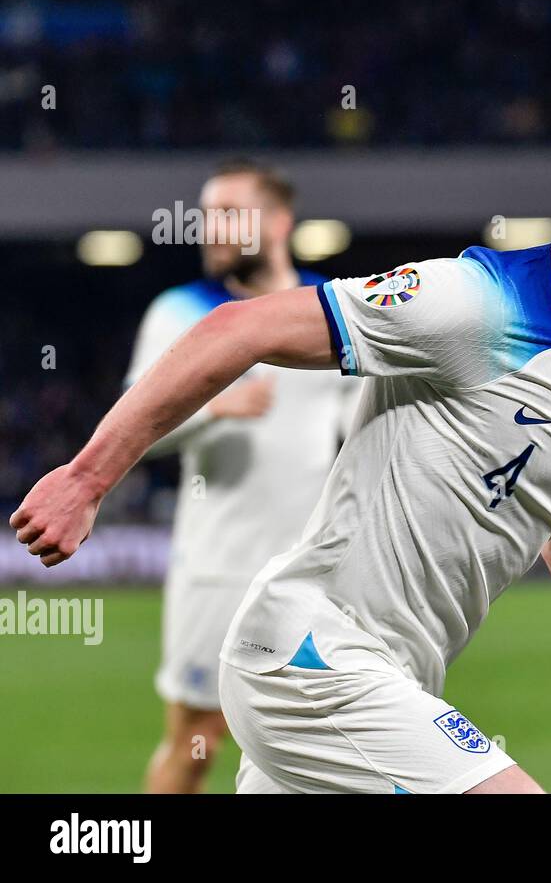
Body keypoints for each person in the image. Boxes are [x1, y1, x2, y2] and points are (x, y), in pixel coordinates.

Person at [11, 81, 551, 794]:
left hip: (394, 679)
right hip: (310, 658)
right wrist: (86, 479)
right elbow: (236, 328)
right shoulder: (466, 304)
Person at [129, 160, 356, 793]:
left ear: (279, 222)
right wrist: (207, 407)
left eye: (230, 212)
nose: (210, 228)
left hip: (313, 576)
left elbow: (358, 423)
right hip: (217, 570)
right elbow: (132, 434)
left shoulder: (331, 310)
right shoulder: (179, 312)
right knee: (195, 743)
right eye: (206, 215)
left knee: (321, 752)